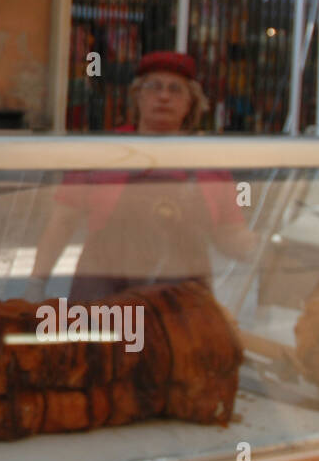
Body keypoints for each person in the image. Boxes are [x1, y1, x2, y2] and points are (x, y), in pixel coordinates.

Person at [25, 51, 257, 304]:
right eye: (154, 87)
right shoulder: (102, 152)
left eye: (176, 89)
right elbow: (63, 222)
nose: (164, 96)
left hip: (183, 308)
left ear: (191, 102)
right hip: (105, 301)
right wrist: (37, 282)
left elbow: (229, 234)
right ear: (138, 96)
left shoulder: (209, 163)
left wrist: (261, 249)